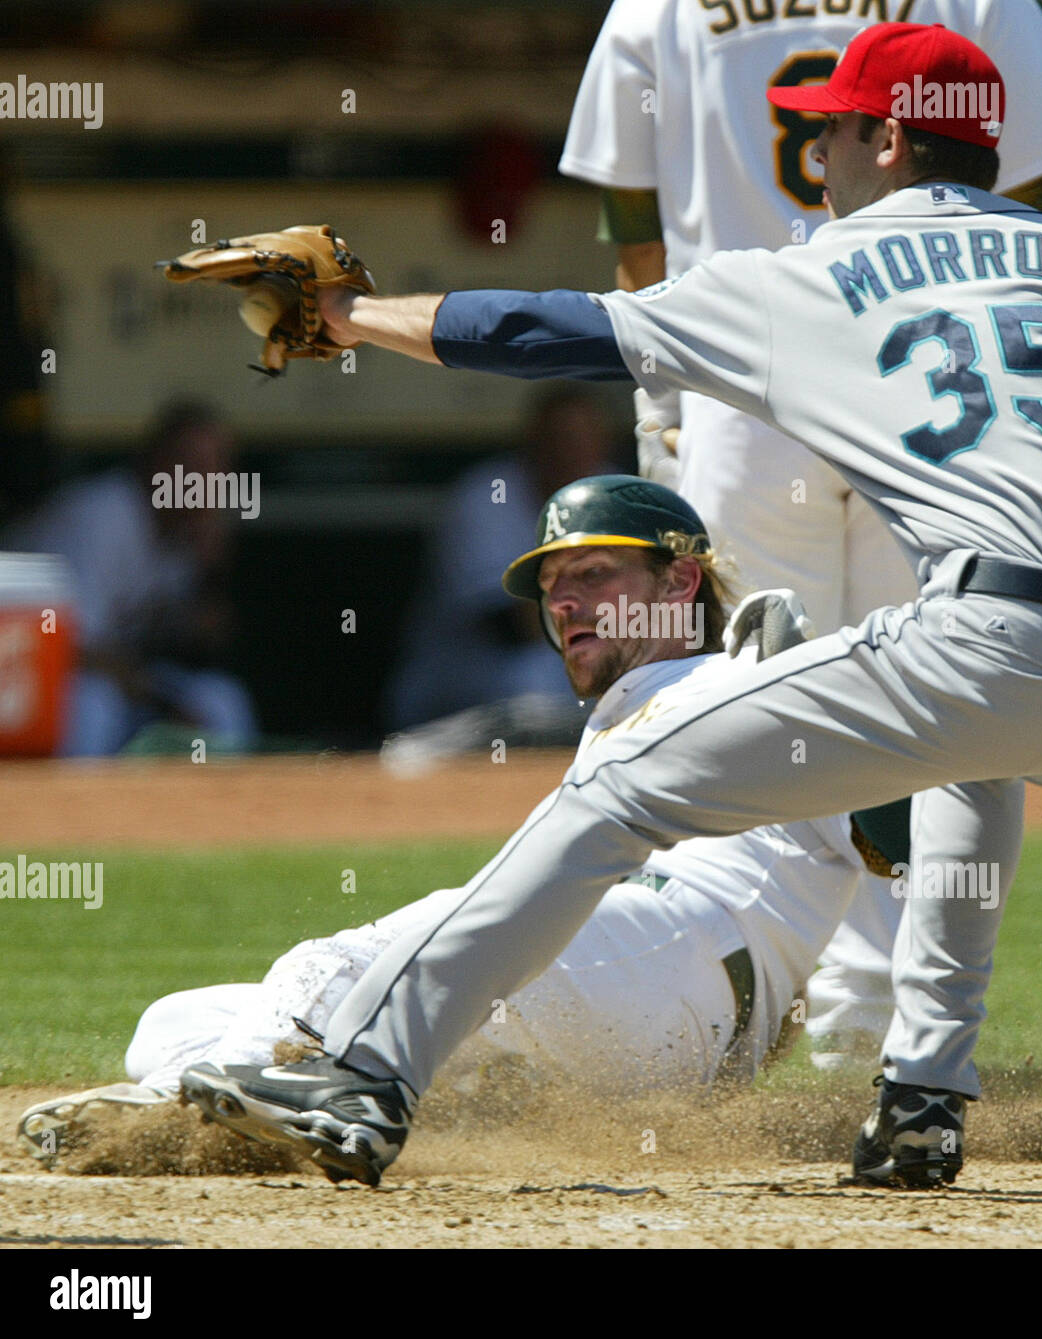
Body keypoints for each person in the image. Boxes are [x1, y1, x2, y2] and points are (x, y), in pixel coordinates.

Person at [178, 23, 1042, 1191]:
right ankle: (922, 1098)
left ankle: (367, 1076)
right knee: (972, 752)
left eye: (828, 130)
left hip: (995, 640)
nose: (817, 153)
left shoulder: (810, 274)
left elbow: (548, 332)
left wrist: (347, 318)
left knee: (616, 785)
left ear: (884, 138)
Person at [19, 477, 880, 1170]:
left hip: (684, 955)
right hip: (628, 1009)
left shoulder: (745, 683)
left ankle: (195, 1109)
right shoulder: (627, 714)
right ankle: (234, 1109)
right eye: (552, 585)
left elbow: (900, 819)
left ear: (679, 581)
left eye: (594, 574)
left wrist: (816, 692)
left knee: (332, 965)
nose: (566, 603)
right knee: (171, 1020)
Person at [561, 0, 1042, 1074]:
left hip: (742, 373)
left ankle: (732, 998)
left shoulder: (653, 6)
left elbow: (630, 227)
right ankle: (878, 1027)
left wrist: (660, 398)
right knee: (938, 710)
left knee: (746, 700)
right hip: (934, 377)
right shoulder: (974, 2)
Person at [1, 400, 258, 755]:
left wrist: (211, 573)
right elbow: (69, 650)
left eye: (217, 465)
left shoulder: (187, 535)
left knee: (222, 700)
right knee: (92, 703)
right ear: (156, 464)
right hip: (24, 677)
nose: (209, 479)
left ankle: (226, 809)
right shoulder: (101, 517)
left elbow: (207, 638)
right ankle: (67, 808)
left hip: (122, 683)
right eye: (194, 465)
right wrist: (161, 701)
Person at [383, 386, 616, 747]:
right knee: (535, 681)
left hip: (572, 660)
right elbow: (508, 627)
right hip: (467, 673)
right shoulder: (487, 494)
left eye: (585, 439)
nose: (574, 452)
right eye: (561, 439)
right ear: (533, 441)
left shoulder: (615, 494)